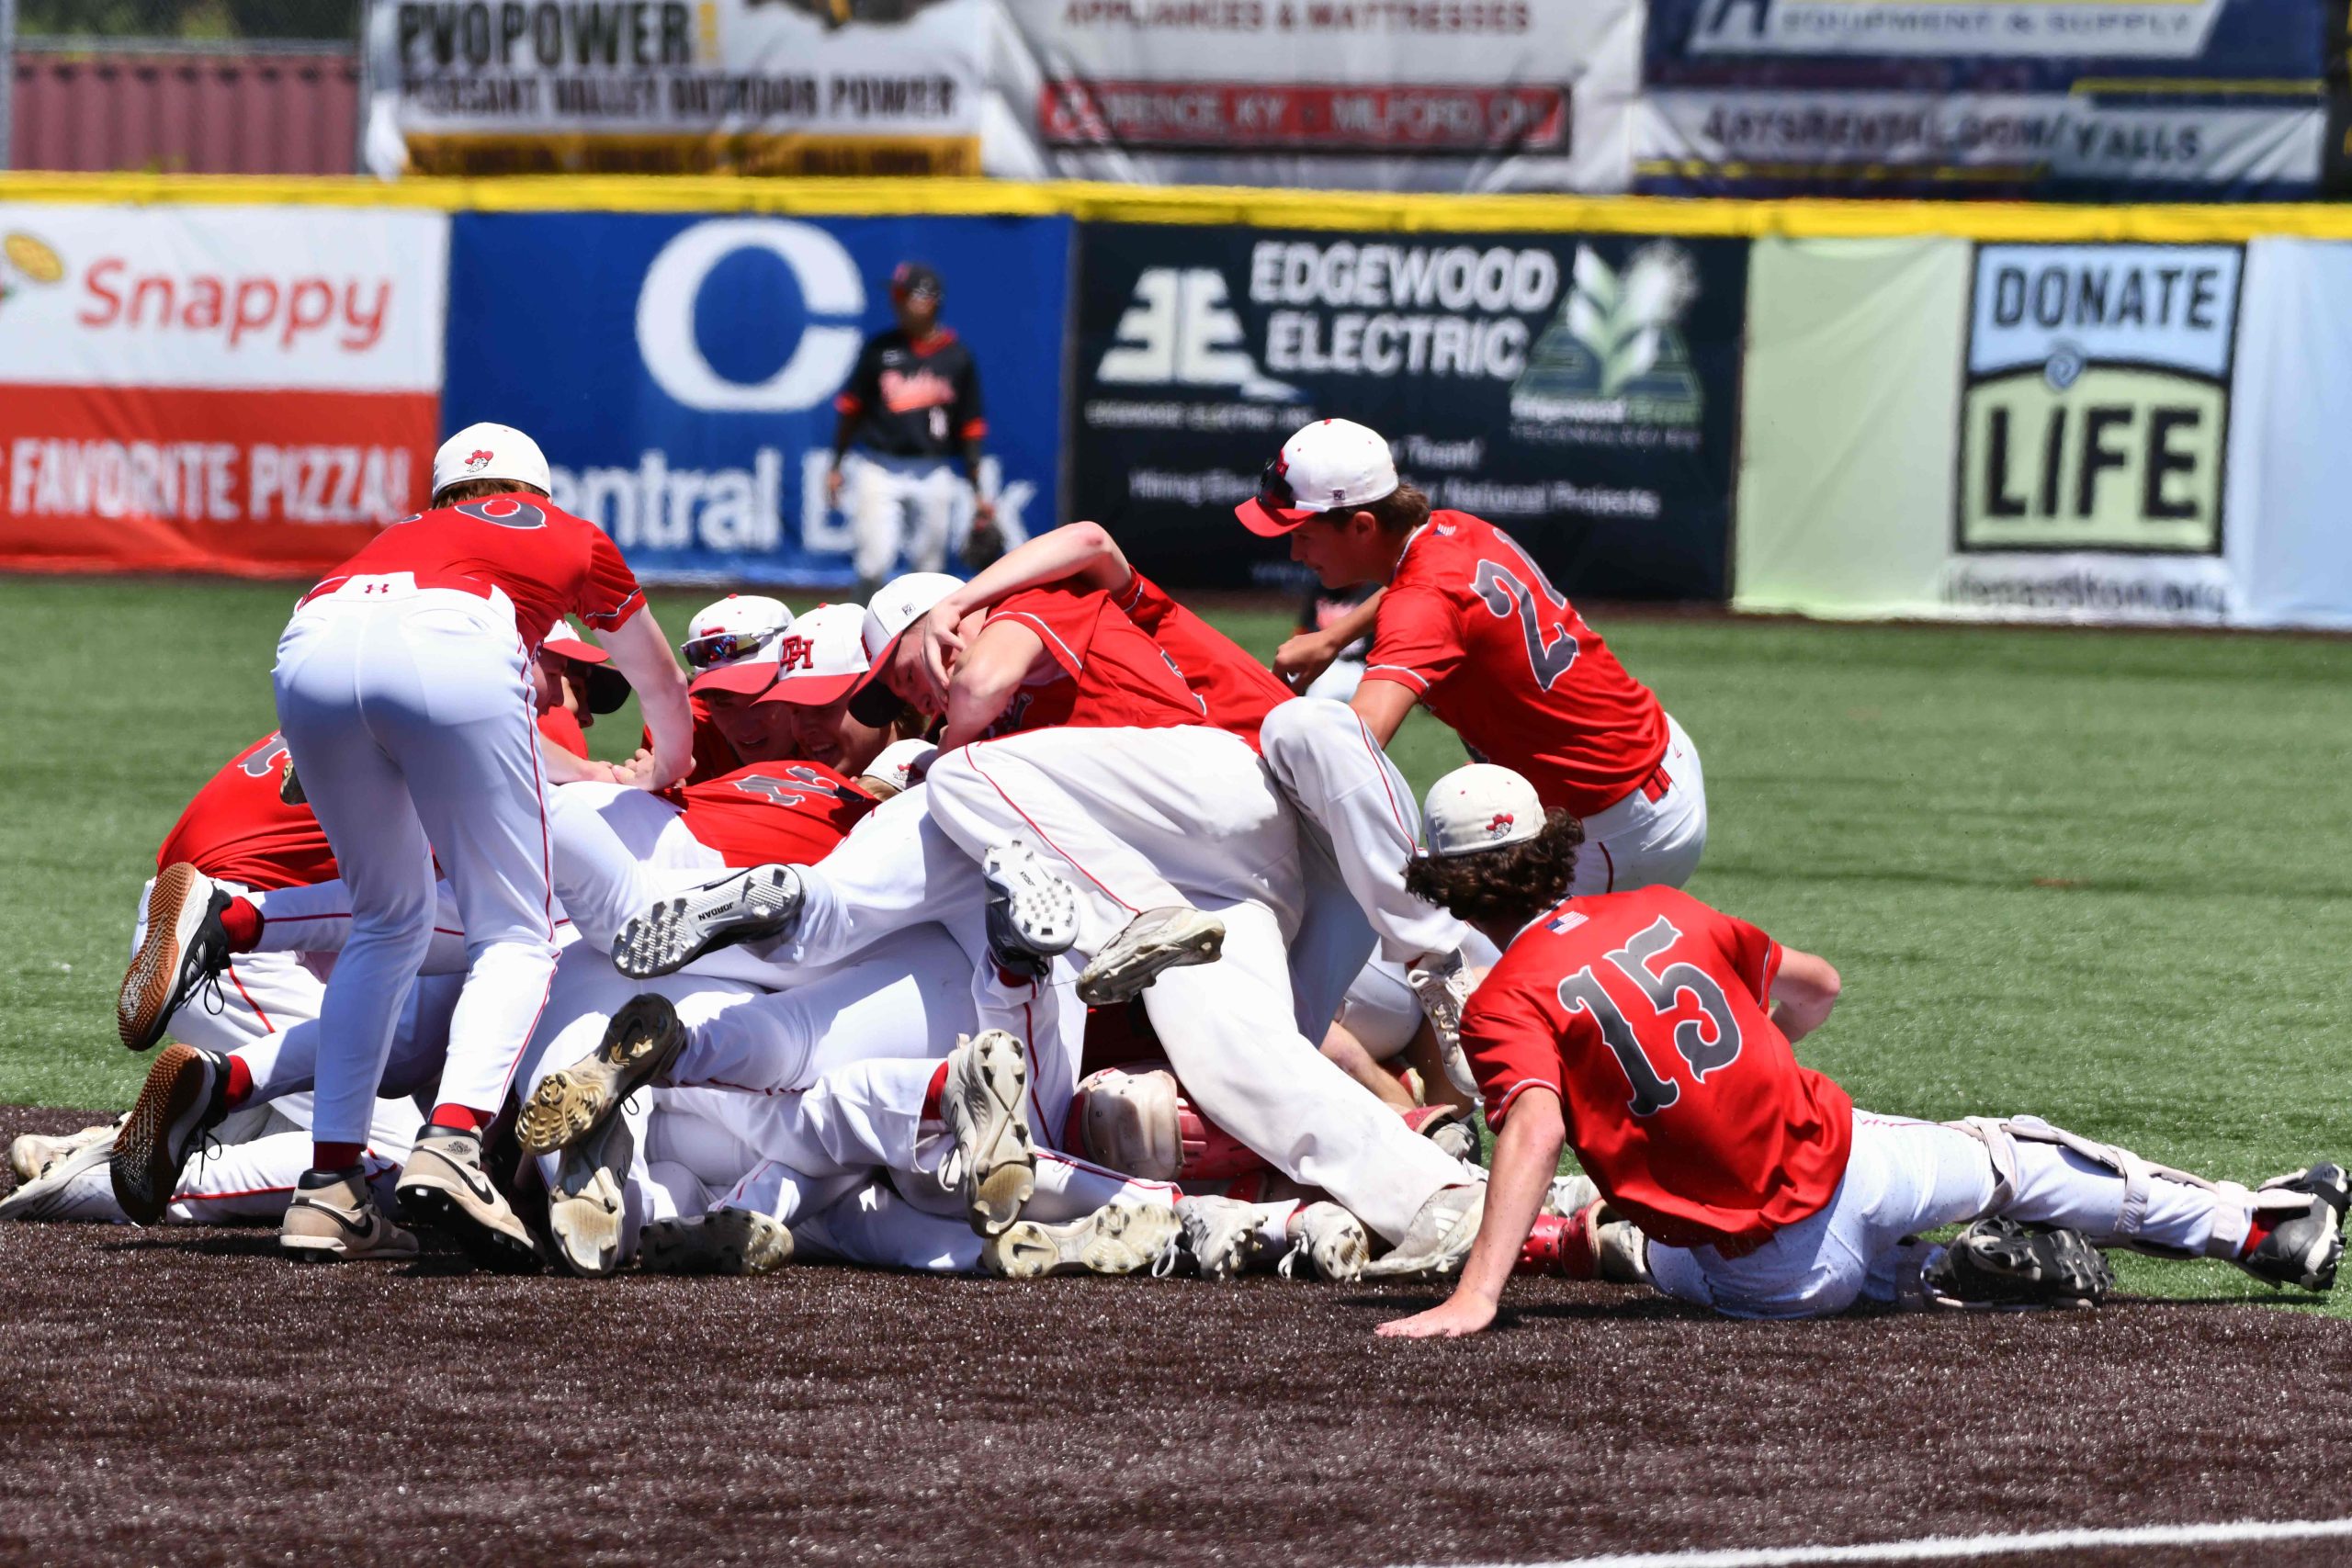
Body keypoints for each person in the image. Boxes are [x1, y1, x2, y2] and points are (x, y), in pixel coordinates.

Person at [1375, 763, 2350, 1336]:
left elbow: (1536, 1126)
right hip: (1851, 1166)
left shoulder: (1505, 999)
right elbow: (1819, 986)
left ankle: (1943, 1278)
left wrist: (1476, 1297)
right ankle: (2255, 1230)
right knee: (2013, 1155)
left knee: (1650, 1244)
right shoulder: (1659, 907)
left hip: (1768, 1276)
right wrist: (1754, 1058)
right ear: (1552, 845)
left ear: (1450, 889)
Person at [129, 422, 695, 1266]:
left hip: (313, 639)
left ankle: (328, 1189)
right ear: (535, 492)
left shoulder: (399, 535)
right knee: (519, 934)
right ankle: (456, 1141)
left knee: (387, 924)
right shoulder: (570, 534)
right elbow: (661, 680)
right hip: (455, 641)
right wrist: (663, 768)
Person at [1240, 418, 1706, 906]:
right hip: (1655, 751)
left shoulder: (1422, 604)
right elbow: (1423, 592)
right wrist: (1334, 637)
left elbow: (1354, 746)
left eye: (1304, 534)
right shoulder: (1452, 528)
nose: (1294, 552)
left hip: (1621, 830)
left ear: (1362, 526)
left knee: (1473, 952)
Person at [825, 262, 1001, 598]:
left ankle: (920, 645)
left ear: (929, 300)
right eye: (897, 294)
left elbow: (971, 427)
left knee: (929, 572)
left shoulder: (957, 357)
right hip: (880, 465)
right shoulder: (880, 349)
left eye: (903, 294)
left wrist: (978, 490)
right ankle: (860, 638)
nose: (895, 301)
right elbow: (851, 410)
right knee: (873, 565)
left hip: (933, 469)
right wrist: (836, 465)